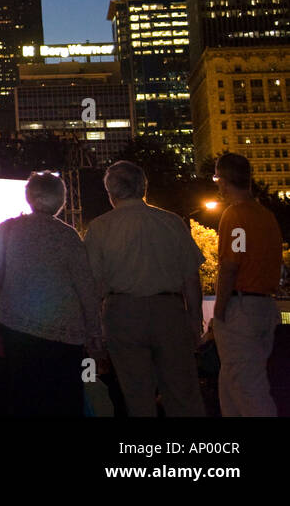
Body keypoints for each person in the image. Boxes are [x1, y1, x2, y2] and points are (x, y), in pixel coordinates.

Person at [83, 160, 206, 417]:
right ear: (144, 187)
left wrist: (94, 331)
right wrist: (195, 320)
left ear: (111, 193)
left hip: (122, 313)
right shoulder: (172, 222)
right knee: (182, 393)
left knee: (136, 395)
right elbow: (191, 278)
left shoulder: (100, 228)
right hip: (169, 311)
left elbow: (92, 284)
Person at [0, 172, 103, 417]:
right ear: (60, 201)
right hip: (66, 336)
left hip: (18, 331)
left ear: (30, 198)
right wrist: (95, 333)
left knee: (25, 400)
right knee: (64, 401)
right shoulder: (68, 236)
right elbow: (86, 288)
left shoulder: (7, 229)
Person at [211, 152, 284, 416]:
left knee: (246, 386)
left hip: (241, 308)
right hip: (264, 306)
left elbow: (231, 264)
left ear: (224, 180)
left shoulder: (235, 216)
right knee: (232, 384)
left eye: (217, 177)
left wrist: (219, 311)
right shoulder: (265, 216)